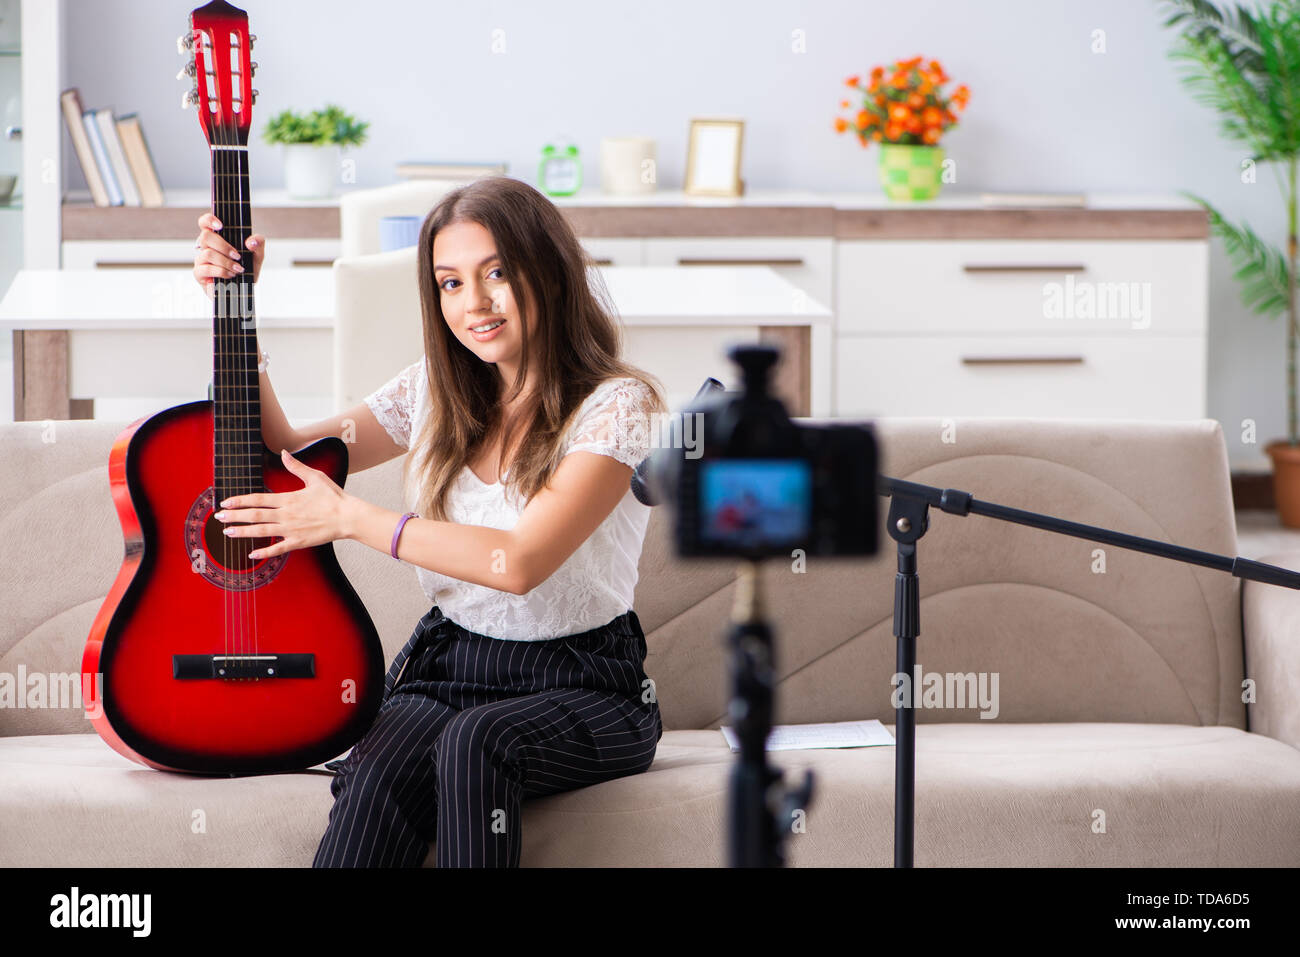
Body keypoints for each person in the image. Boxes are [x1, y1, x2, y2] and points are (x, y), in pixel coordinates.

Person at [191, 176, 667, 867]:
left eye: (497, 273)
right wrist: (235, 308)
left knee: (477, 741)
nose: (473, 302)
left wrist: (354, 518)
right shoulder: (435, 389)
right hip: (450, 666)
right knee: (379, 772)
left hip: (587, 682)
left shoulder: (616, 405)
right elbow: (287, 450)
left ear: (553, 273)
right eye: (449, 283)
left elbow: (520, 562)